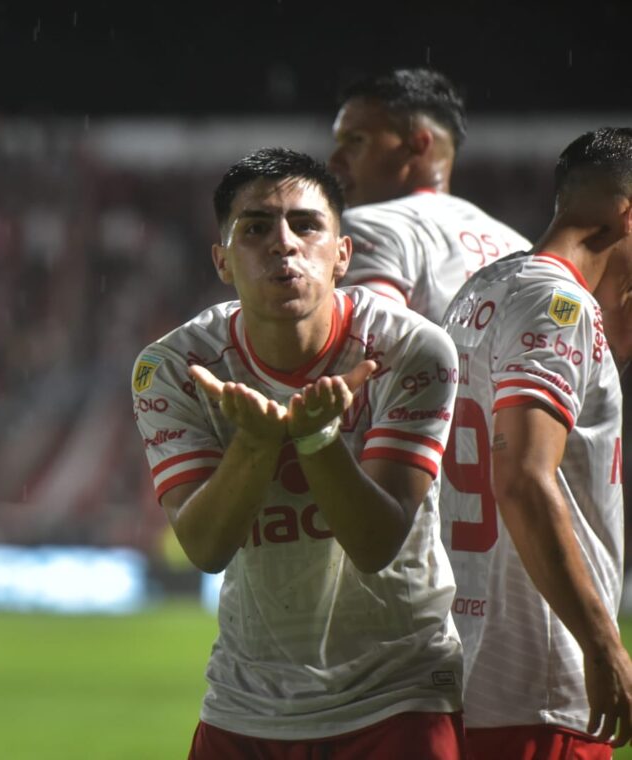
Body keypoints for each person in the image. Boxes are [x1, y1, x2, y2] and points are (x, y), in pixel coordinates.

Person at [132, 147, 464, 757]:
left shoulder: (411, 350)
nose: (283, 243)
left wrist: (316, 439)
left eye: (306, 225)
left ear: (342, 255)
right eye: (255, 228)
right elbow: (205, 548)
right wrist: (255, 444)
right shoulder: (173, 367)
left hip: (397, 696)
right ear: (222, 260)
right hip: (245, 701)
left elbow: (375, 543)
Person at [440, 127, 632, 758]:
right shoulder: (559, 305)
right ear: (627, 214)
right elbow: (524, 478)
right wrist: (602, 645)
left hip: (469, 666)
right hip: (542, 678)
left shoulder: (482, 289)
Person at [330, 67, 531, 323]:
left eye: (355, 140)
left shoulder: (368, 226)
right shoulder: (523, 248)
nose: (334, 160)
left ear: (417, 145)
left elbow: (374, 341)